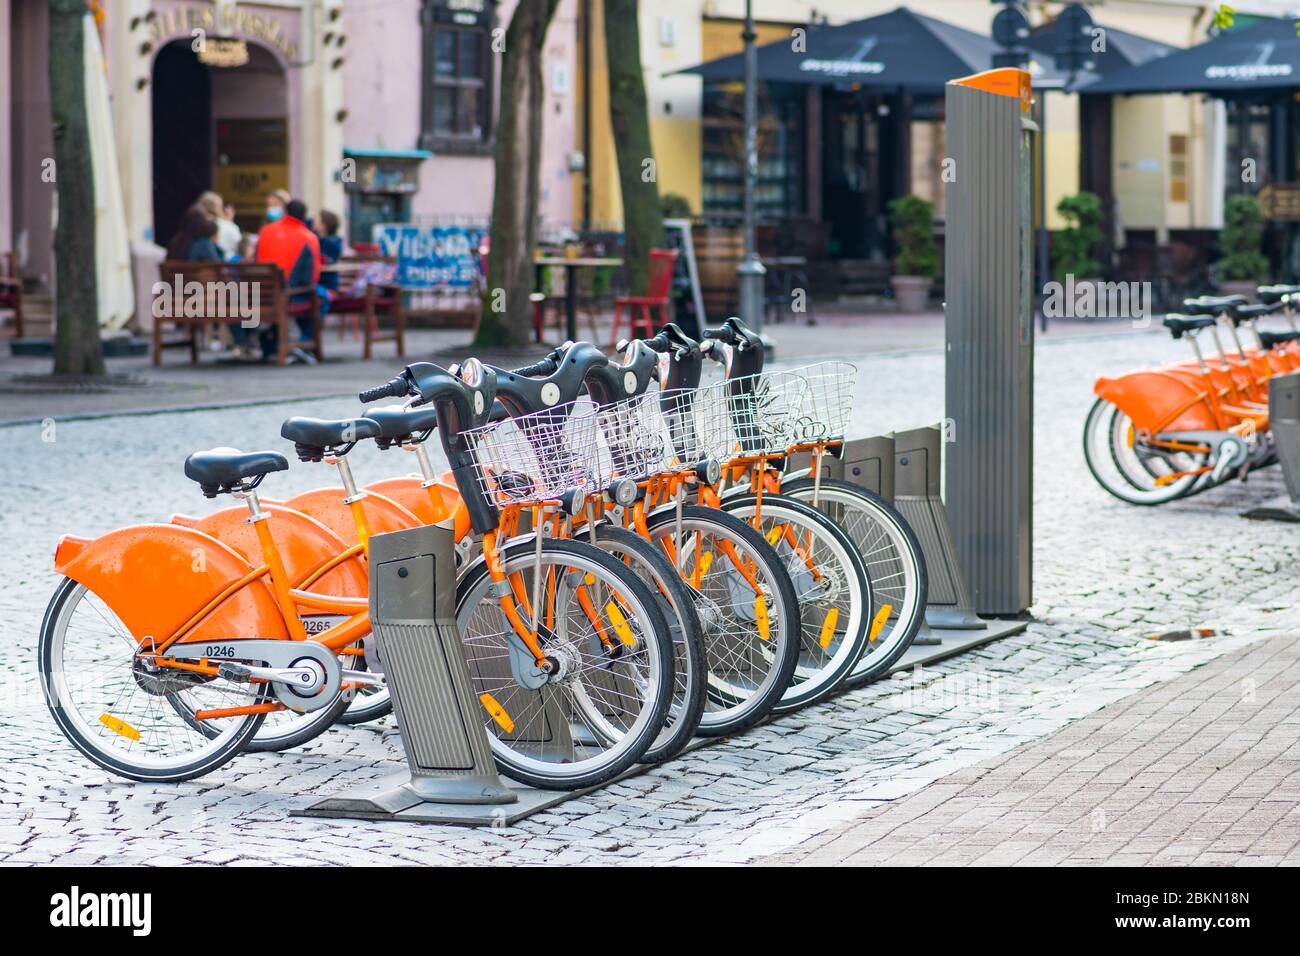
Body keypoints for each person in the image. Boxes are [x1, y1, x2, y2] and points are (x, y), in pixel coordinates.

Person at [256, 198, 323, 364]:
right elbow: (312, 277)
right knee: (320, 297)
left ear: (285, 211)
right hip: (288, 296)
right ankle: (304, 342)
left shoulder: (265, 231)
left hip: (262, 293)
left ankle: (275, 343)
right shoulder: (309, 237)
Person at [196, 191, 241, 258]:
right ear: (219, 207)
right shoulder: (230, 226)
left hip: (201, 266)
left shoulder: (194, 226)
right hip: (228, 266)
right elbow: (240, 249)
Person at [314, 210, 344, 295]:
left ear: (324, 226)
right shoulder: (335, 241)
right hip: (323, 284)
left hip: (326, 285)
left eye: (317, 220)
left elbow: (326, 262)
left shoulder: (329, 242)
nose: (314, 222)